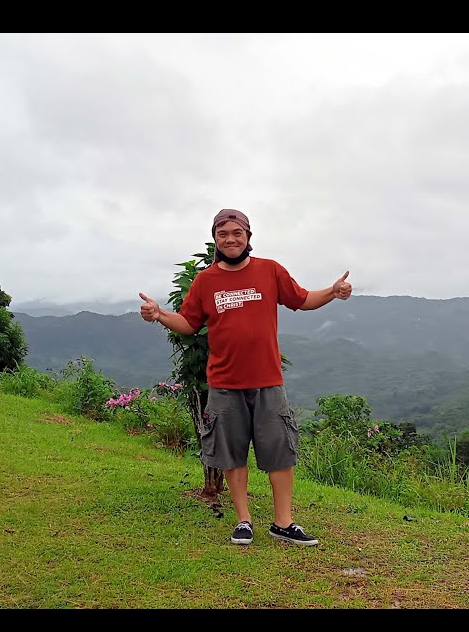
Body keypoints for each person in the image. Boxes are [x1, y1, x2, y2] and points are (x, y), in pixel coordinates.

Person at [138, 208, 352, 545]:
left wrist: (333, 291)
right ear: (215, 240)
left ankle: (283, 522)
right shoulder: (205, 281)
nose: (231, 239)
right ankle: (243, 520)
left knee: (280, 451)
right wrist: (160, 314)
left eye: (237, 233)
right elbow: (189, 323)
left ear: (248, 237)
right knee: (230, 453)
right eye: (223, 234)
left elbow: (302, 299)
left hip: (268, 380)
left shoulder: (270, 271)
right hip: (224, 383)